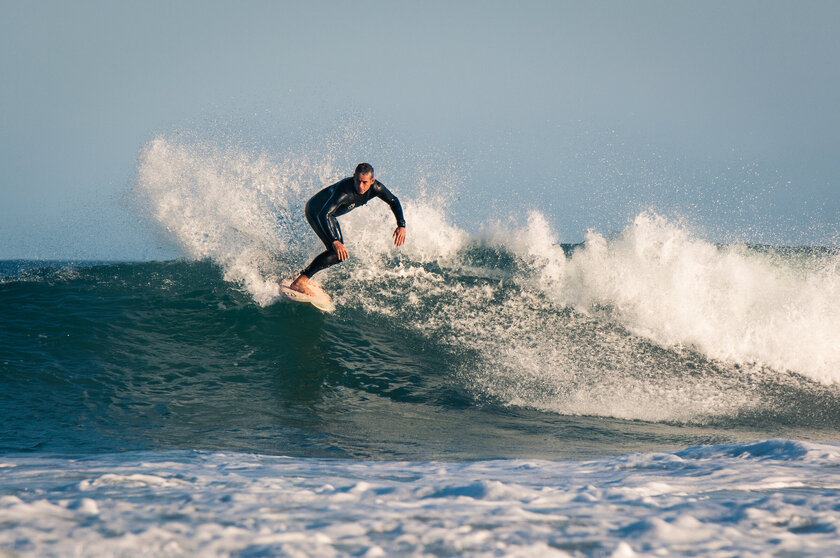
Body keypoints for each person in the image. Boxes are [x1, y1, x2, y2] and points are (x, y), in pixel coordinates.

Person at [290, 163, 407, 295]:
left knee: (336, 254)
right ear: (353, 177)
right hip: (316, 212)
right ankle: (300, 281)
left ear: (372, 181)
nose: (360, 186)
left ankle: (302, 277)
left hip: (330, 215)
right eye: (357, 181)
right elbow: (324, 214)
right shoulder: (344, 192)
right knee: (337, 253)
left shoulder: (376, 188)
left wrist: (401, 225)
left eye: (364, 182)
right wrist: (335, 241)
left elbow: (393, 200)